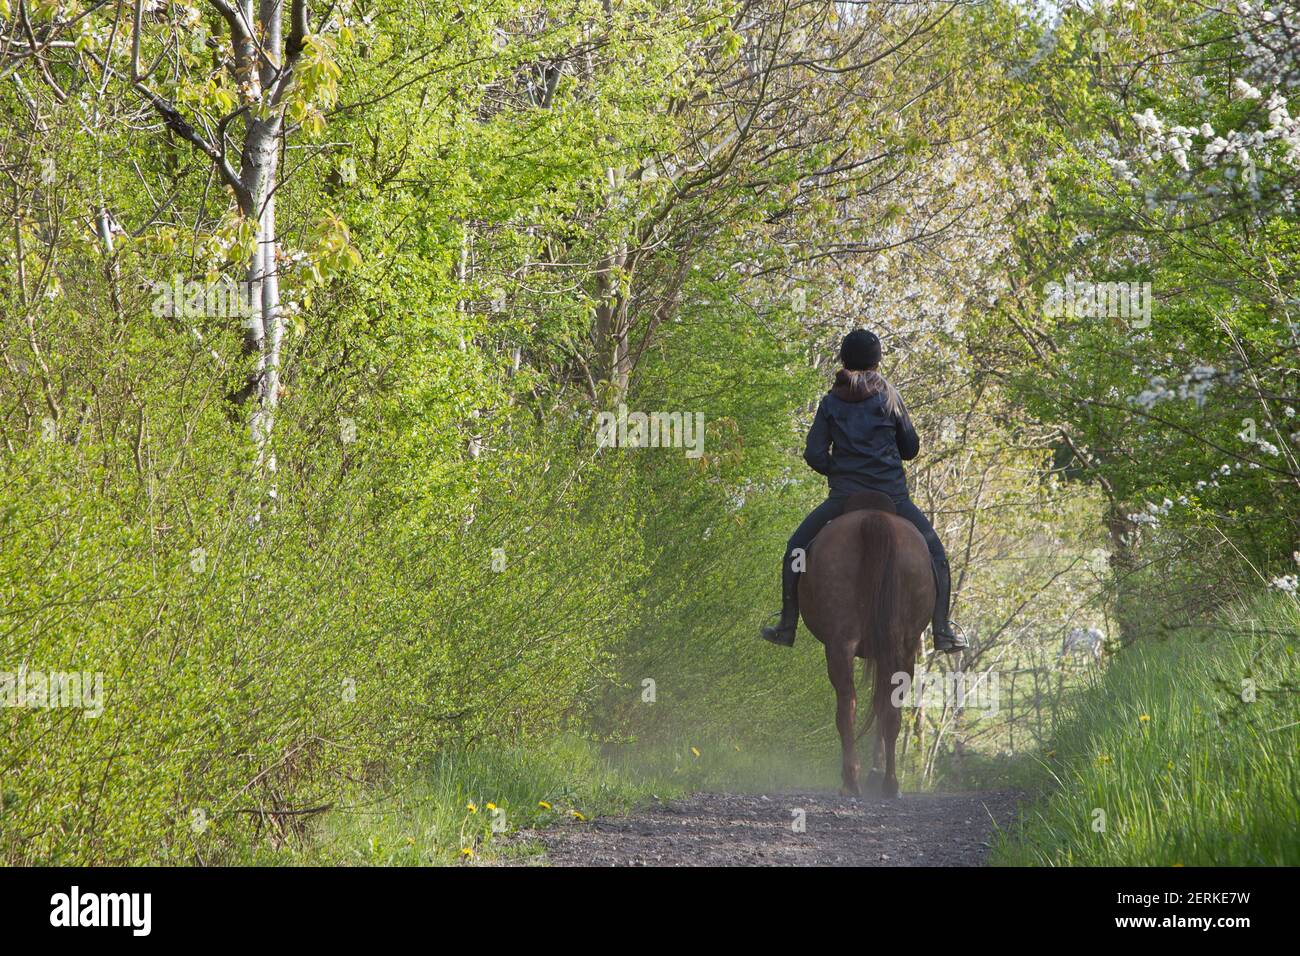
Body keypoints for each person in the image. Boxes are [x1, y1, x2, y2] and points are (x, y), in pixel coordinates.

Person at [760, 328, 968, 653]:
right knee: (937, 556)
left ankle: (786, 625)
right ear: (877, 361)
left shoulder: (830, 402)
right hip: (894, 499)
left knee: (796, 551)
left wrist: (840, 470)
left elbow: (814, 453)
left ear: (843, 359)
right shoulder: (890, 396)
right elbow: (911, 448)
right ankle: (942, 630)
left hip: (844, 498)